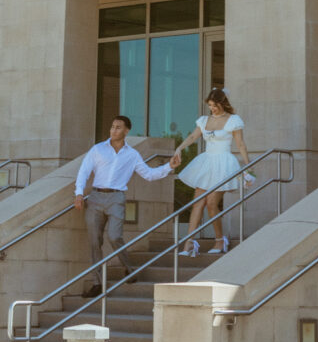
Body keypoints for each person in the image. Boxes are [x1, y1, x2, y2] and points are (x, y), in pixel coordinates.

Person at [74, 114, 173, 296]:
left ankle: (129, 268)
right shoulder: (98, 150)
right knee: (94, 242)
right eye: (112, 127)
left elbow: (149, 174)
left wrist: (169, 167)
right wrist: (79, 193)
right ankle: (97, 283)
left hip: (116, 199)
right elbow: (84, 171)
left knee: (114, 236)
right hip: (95, 197)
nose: (113, 130)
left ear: (126, 131)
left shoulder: (132, 154)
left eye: (118, 127)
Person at [170, 87, 252, 255]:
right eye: (210, 105)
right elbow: (193, 137)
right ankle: (189, 244)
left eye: (214, 105)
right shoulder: (204, 120)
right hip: (207, 162)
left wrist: (248, 164)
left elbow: (240, 144)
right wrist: (179, 147)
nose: (212, 108)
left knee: (212, 203)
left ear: (222, 103)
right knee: (198, 202)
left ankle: (220, 240)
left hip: (224, 163)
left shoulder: (233, 120)